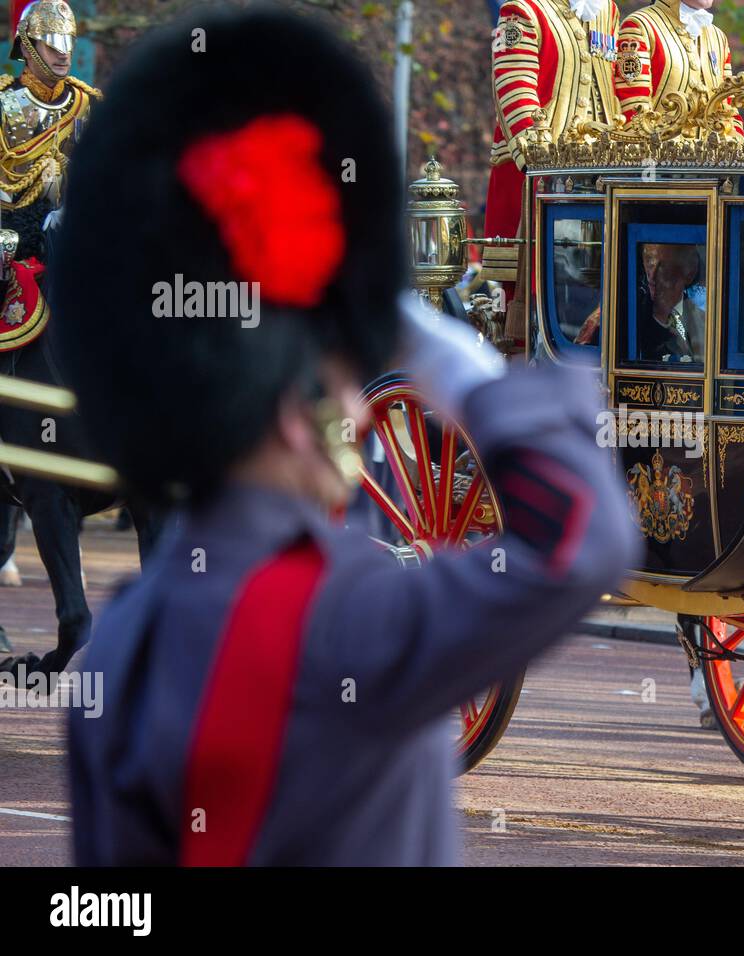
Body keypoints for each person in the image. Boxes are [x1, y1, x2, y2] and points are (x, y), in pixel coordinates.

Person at [54, 7, 638, 866]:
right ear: (297, 411)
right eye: (342, 388)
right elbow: (584, 540)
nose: (364, 414)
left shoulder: (122, 643)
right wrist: (464, 368)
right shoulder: (351, 612)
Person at [485, 0, 621, 304]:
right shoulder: (521, 11)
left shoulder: (607, 11)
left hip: (601, 179)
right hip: (537, 181)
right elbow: (515, 92)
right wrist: (545, 167)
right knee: (531, 299)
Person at [0, 0, 96, 346]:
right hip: (10, 237)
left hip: (71, 237)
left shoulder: (86, 104)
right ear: (27, 46)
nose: (63, 53)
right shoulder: (3, 103)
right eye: (53, 44)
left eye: (68, 42)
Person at [614, 0, 742, 137]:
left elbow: (730, 111)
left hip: (712, 155)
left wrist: (737, 147)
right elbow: (634, 113)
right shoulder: (640, 26)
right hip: (656, 153)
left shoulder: (718, 37)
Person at [637, 242, 705, 362]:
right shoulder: (633, 316)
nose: (651, 276)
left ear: (690, 271)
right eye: (649, 262)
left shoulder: (706, 321)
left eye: (663, 266)